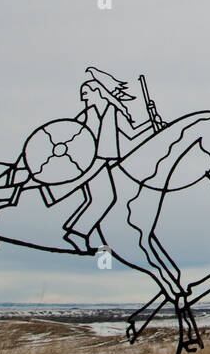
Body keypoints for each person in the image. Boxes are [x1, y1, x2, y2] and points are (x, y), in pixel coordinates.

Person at [60, 67, 155, 251]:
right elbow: (75, 135)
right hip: (92, 163)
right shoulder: (87, 115)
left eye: (86, 93)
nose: (84, 98)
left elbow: (132, 135)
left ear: (98, 92)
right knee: (102, 199)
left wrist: (151, 124)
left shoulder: (112, 112)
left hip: (100, 162)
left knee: (102, 198)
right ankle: (77, 233)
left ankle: (76, 232)